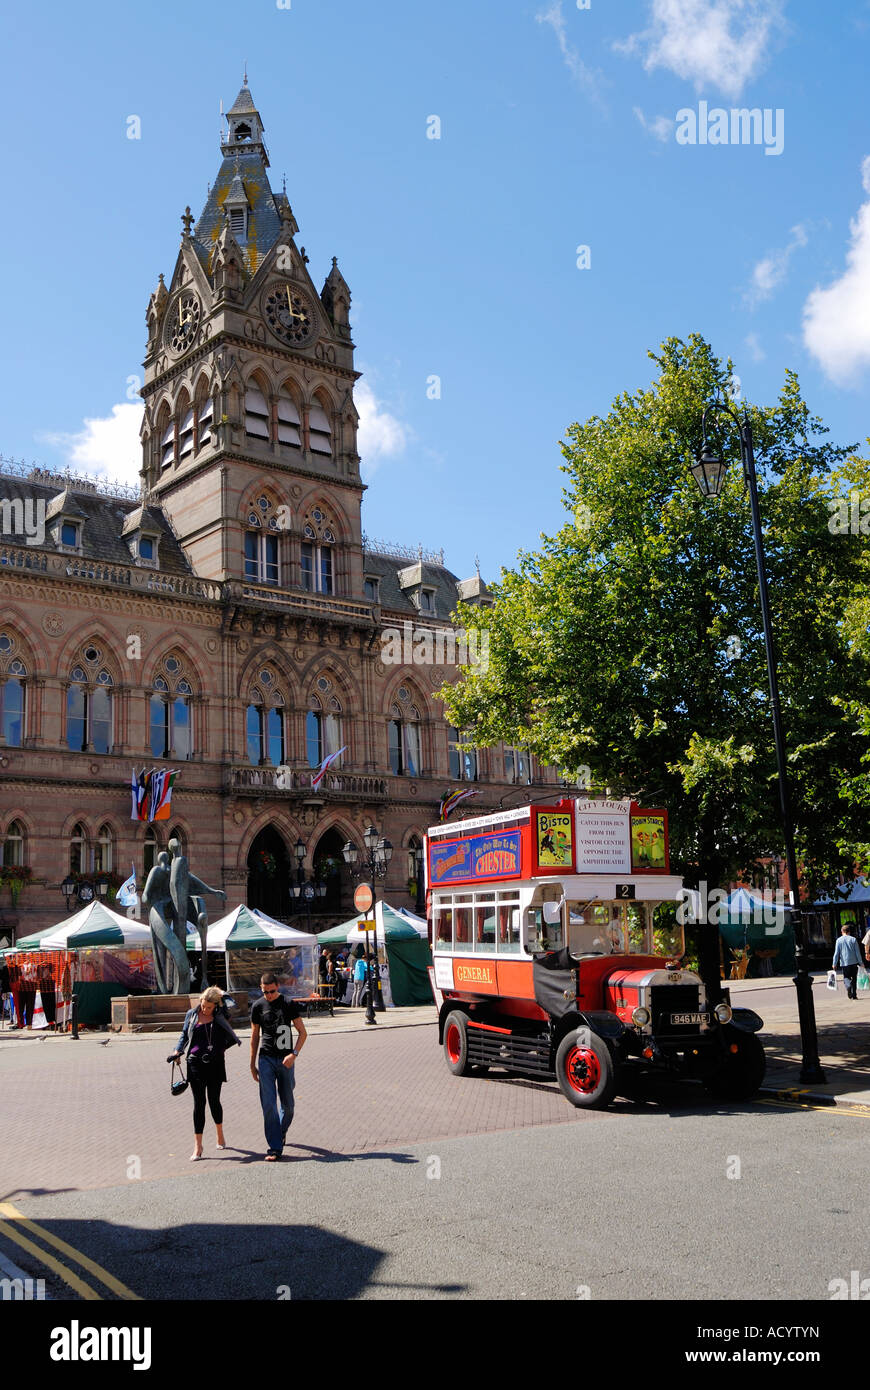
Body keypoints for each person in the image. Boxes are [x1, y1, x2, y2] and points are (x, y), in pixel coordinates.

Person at [170, 986, 241, 1160]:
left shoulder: (220, 1014)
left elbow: (232, 1003)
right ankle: (198, 1146)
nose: (205, 1009)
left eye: (209, 1007)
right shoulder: (191, 1015)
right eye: (203, 1005)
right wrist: (177, 1051)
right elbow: (184, 1036)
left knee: (214, 1100)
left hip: (215, 1063)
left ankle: (220, 1134)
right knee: (199, 1103)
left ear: (216, 1005)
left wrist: (219, 992)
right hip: (195, 1064)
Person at [250, 972, 308, 1162]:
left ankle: (280, 1132)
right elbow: (255, 1036)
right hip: (265, 1059)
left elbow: (302, 1033)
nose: (269, 995)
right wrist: (252, 1063)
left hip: (285, 1060)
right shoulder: (258, 1006)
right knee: (268, 1104)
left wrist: (294, 1054)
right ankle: (275, 1147)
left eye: (272, 991)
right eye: (265, 992)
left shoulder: (288, 1004)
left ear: (278, 987)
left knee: (288, 1105)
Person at [833, 923, 862, 1000]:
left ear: (842, 932)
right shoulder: (853, 939)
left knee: (846, 977)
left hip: (844, 963)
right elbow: (857, 952)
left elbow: (836, 953)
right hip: (854, 963)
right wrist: (861, 963)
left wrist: (834, 964)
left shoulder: (838, 940)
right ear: (849, 932)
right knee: (854, 978)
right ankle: (854, 995)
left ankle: (848, 986)